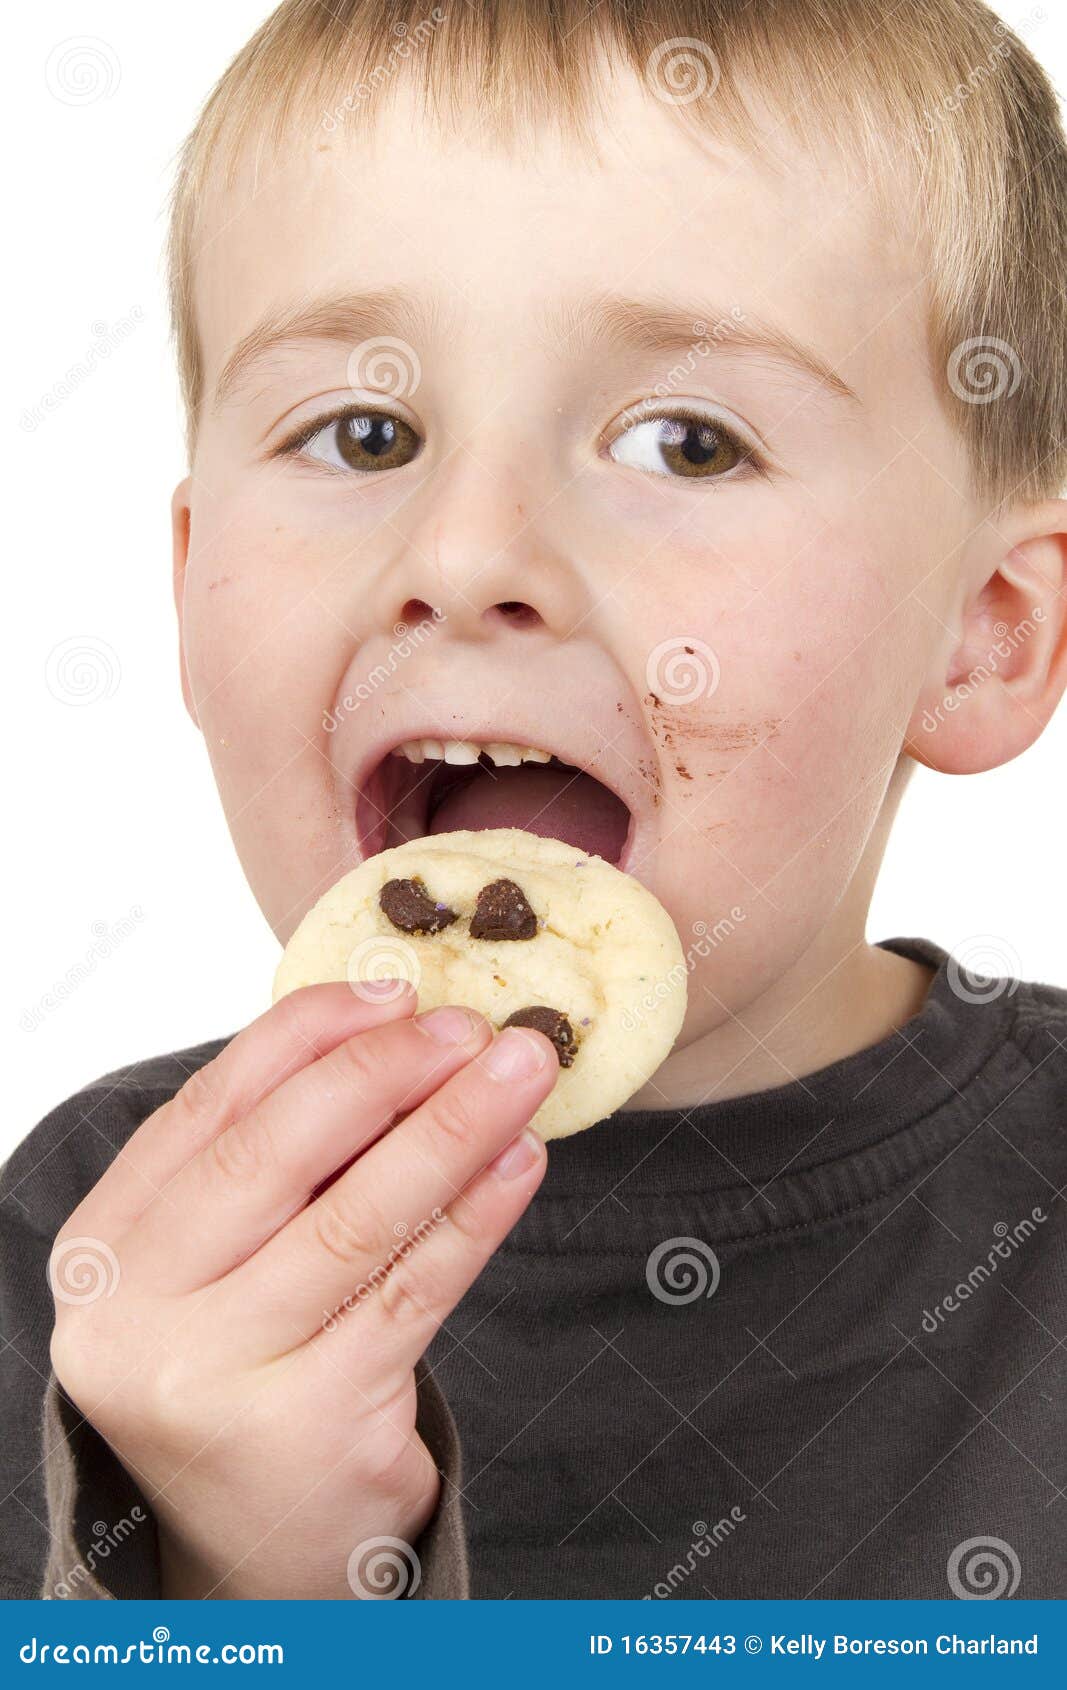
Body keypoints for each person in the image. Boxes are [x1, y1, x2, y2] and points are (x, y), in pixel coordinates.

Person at [3, 0, 1065, 1601]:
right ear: (186, 586)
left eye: (687, 442)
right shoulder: (86, 1247)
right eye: (364, 432)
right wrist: (251, 1577)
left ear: (983, 634)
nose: (468, 553)